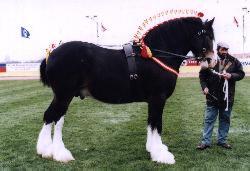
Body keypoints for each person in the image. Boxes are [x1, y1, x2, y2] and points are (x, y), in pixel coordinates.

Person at [197, 42, 245, 150]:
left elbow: (241, 74)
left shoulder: (233, 61)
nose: (225, 52)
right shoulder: (209, 60)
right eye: (223, 49)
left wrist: (231, 75)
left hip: (227, 97)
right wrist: (204, 87)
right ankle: (205, 142)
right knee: (209, 119)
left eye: (226, 50)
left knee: (225, 119)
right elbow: (202, 76)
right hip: (212, 96)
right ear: (218, 49)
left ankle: (222, 141)